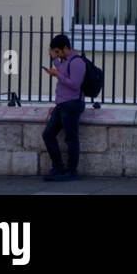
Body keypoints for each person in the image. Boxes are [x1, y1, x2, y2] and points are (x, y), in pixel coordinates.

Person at [42, 34, 86, 181]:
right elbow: (62, 71)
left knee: (71, 138)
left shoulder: (77, 62)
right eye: (55, 52)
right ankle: (58, 167)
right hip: (62, 104)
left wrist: (57, 75)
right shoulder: (65, 60)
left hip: (72, 104)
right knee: (48, 134)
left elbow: (75, 85)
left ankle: (72, 171)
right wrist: (55, 61)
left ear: (66, 48)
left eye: (58, 52)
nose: (57, 54)